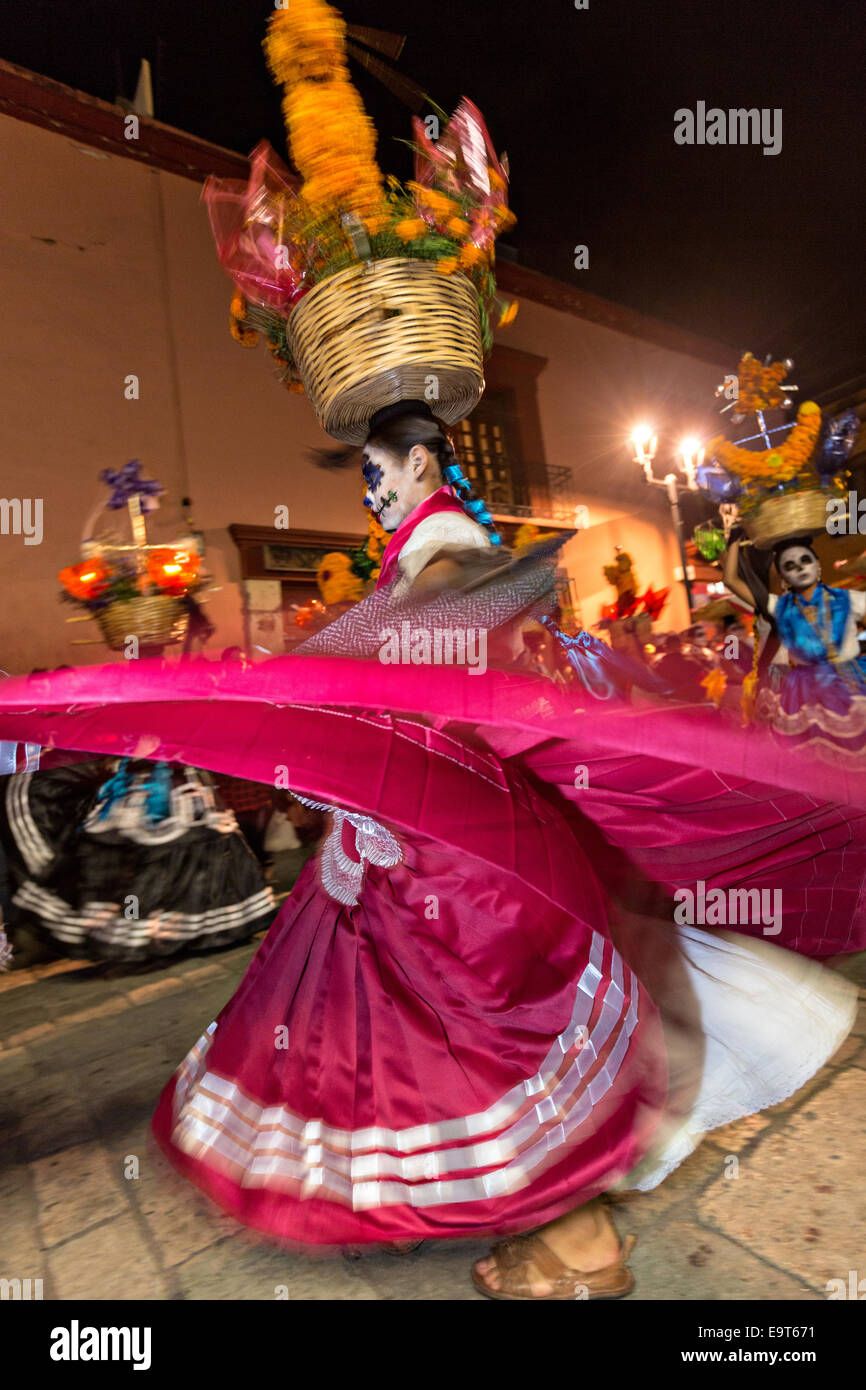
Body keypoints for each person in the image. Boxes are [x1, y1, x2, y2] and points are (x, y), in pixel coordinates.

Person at [1, 403, 860, 1302]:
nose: (371, 494)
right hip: (416, 828)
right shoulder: (427, 547)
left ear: (417, 460)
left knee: (476, 1021)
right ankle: (458, 1201)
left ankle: (578, 1243)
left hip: (451, 843)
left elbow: (420, 655)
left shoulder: (449, 544)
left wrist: (282, 676)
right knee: (403, 1013)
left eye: (376, 473)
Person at [1, 757, 276, 963]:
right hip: (142, 801)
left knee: (191, 857)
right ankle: (146, 937)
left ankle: (195, 934)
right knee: (139, 873)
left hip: (176, 794)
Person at [725, 534, 866, 764]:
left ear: (817, 564)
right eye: (789, 566)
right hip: (778, 681)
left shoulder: (845, 599)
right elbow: (732, 659)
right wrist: (746, 672)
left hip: (835, 679)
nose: (799, 569)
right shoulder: (740, 634)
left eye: (805, 561)